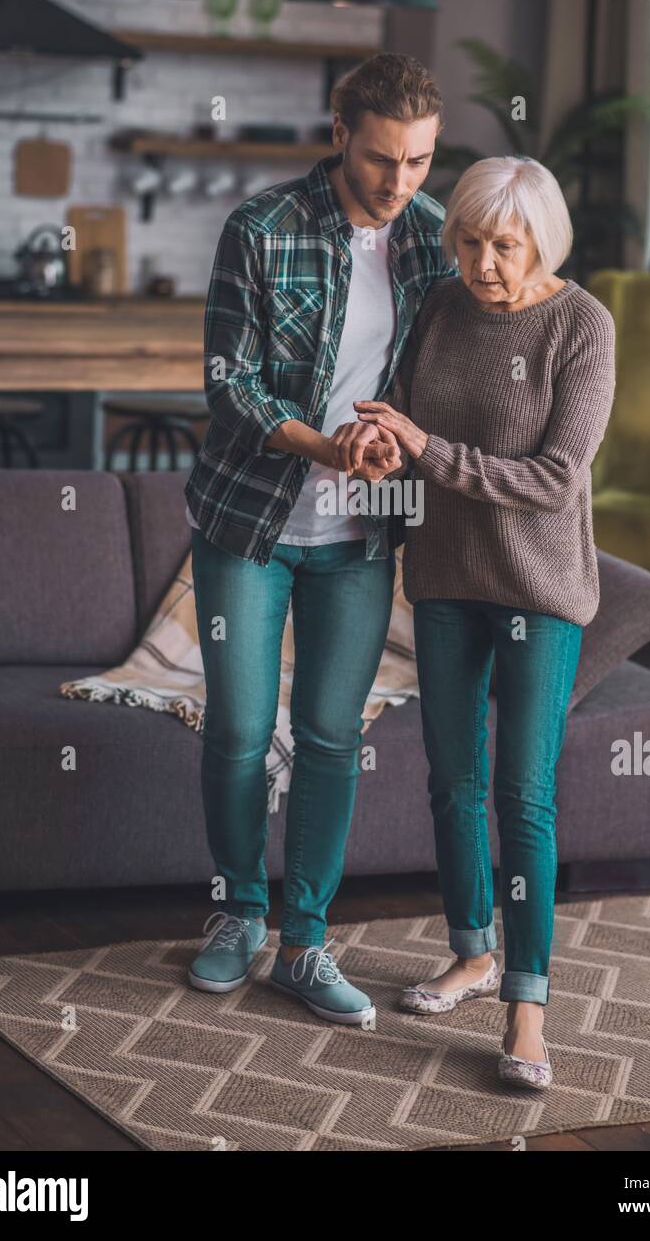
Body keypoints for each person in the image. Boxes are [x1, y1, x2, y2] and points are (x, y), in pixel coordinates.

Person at [184, 53, 457, 1028]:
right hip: (250, 522)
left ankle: (303, 942)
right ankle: (236, 914)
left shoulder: (435, 239)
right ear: (338, 132)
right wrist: (324, 443)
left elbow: (447, 376)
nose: (398, 183)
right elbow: (230, 384)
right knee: (242, 730)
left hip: (360, 535)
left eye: (419, 161)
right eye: (382, 158)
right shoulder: (258, 228)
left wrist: (390, 438)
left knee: (333, 737)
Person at [355, 155, 616, 1084]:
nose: (483, 262)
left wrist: (428, 448)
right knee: (452, 783)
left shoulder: (581, 325)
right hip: (445, 582)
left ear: (542, 240)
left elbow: (553, 481)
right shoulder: (442, 309)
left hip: (539, 594)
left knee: (523, 797)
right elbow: (417, 427)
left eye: (504, 245)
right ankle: (471, 952)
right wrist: (389, 442)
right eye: (468, 241)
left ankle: (527, 1007)